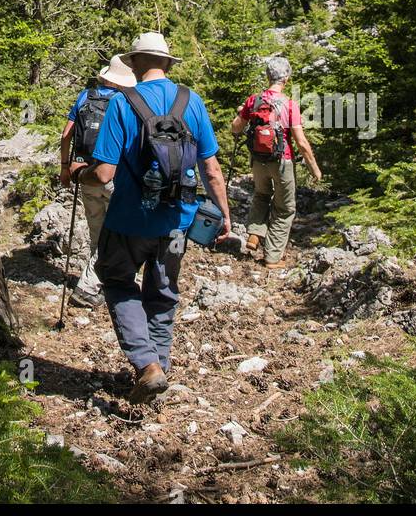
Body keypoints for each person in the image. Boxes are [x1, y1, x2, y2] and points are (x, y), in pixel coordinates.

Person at [72, 32, 231, 403]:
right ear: (168, 64)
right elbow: (211, 167)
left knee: (117, 280)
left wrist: (79, 172)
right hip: (178, 220)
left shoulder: (122, 104)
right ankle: (159, 368)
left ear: (135, 64)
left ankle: (146, 366)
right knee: (163, 293)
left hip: (128, 219)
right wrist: (225, 214)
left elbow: (105, 173)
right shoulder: (192, 102)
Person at [230, 55, 322, 269]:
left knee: (261, 195)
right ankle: (272, 257)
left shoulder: (254, 100)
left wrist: (241, 113)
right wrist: (314, 169)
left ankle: (254, 234)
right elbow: (301, 142)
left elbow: (236, 127)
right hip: (282, 161)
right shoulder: (289, 105)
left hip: (258, 160)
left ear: (267, 76)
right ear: (286, 79)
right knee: (284, 208)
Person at [60, 55, 136, 307]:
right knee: (121, 236)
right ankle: (87, 288)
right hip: (114, 176)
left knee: (98, 235)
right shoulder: (125, 101)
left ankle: (104, 283)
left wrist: (65, 169)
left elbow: (65, 135)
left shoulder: (85, 96)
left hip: (85, 174)